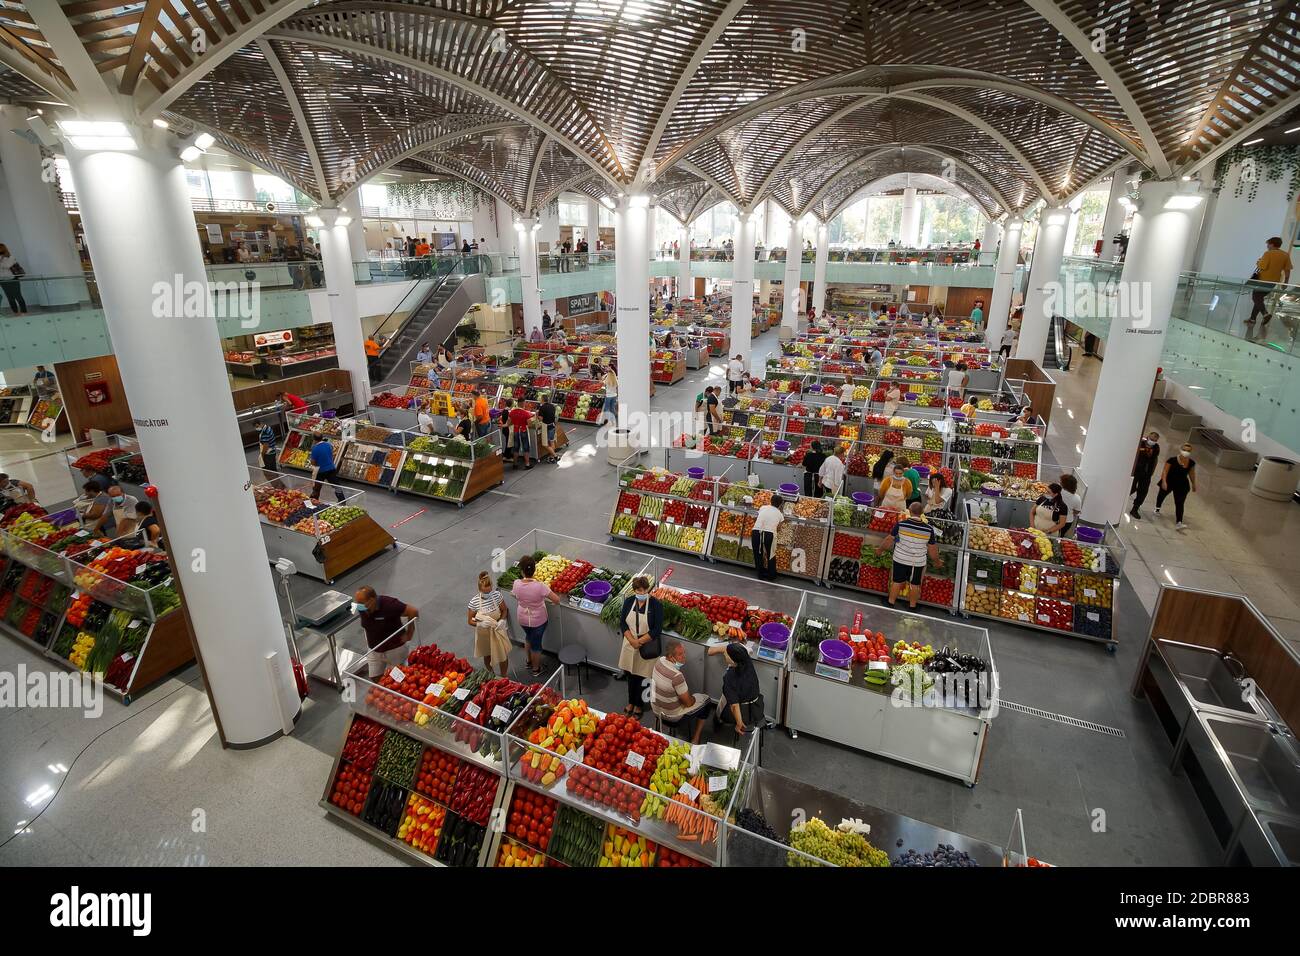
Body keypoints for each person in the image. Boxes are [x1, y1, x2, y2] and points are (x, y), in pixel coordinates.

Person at [882, 501, 940, 609]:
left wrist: (880, 549)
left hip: (900, 558)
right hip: (917, 562)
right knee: (914, 584)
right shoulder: (929, 529)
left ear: (909, 511)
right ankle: (912, 606)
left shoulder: (901, 524)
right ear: (922, 512)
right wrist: (937, 561)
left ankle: (891, 602)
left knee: (897, 581)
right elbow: (932, 549)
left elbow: (889, 539)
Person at [652, 640, 713, 742]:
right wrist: (693, 698)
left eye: (684, 652)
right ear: (671, 657)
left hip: (655, 710)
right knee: (706, 701)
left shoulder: (659, 661)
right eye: (680, 654)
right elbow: (688, 703)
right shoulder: (677, 676)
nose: (684, 656)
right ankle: (696, 738)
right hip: (672, 717)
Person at [618, 576, 661, 718]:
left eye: (644, 590)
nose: (641, 593)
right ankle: (631, 701)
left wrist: (640, 641)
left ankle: (639, 705)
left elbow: (657, 629)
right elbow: (623, 623)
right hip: (630, 645)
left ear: (647, 589)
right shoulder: (629, 602)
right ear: (634, 590)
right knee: (631, 675)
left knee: (644, 677)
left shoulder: (655, 605)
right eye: (638, 590)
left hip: (646, 646)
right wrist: (631, 640)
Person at [354, 586, 419, 678]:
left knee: (398, 679)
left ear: (372, 600)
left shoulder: (390, 604)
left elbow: (413, 611)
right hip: (374, 650)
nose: (359, 606)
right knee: (374, 677)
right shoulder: (363, 608)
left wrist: (409, 633)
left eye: (361, 603)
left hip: (394, 651)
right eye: (357, 603)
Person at [512, 554, 559, 676]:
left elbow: (515, 594)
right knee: (536, 646)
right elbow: (556, 599)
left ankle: (528, 661)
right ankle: (536, 669)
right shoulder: (540, 586)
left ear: (522, 571)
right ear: (534, 569)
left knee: (528, 637)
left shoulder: (516, 583)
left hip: (522, 618)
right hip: (538, 620)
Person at [710, 642, 762, 736]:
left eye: (726, 653)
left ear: (732, 660)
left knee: (723, 703)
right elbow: (741, 649)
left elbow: (734, 706)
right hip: (756, 708)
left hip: (742, 713)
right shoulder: (746, 660)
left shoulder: (730, 677)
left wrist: (739, 723)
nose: (724, 653)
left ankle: (718, 721)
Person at [467, 571, 510, 677]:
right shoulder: (474, 602)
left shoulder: (496, 595)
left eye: (490, 590)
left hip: (497, 629)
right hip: (484, 633)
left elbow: (504, 610)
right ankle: (491, 673)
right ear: (480, 589)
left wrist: (502, 620)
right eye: (485, 592)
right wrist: (479, 624)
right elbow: (470, 620)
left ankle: (504, 675)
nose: (488, 593)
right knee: (487, 655)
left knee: (502, 654)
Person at [1246, 236, 1293, 326]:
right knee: (1259, 299)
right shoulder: (1285, 255)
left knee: (1256, 298)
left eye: (1268, 244)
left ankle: (1265, 314)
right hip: (1273, 282)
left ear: (1272, 244)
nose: (1267, 246)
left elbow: (1262, 266)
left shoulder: (1268, 254)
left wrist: (1258, 262)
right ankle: (1252, 319)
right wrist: (1285, 282)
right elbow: (1287, 270)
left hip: (1262, 280)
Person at [1155, 443, 1197, 531]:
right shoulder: (1172, 460)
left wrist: (1193, 483)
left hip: (1182, 484)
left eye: (1188, 451)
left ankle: (1179, 522)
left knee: (1180, 502)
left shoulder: (1191, 463)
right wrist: (1164, 481)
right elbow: (1165, 471)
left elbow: (1191, 473)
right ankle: (1157, 508)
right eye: (1184, 450)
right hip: (1169, 481)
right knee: (1162, 495)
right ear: (1181, 450)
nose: (1186, 452)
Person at [751, 493, 784, 581]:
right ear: (780, 505)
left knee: (758, 553)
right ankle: (771, 575)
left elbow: (759, 517)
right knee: (770, 554)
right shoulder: (780, 514)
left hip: (756, 531)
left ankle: (760, 574)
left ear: (770, 501)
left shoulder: (763, 507)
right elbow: (779, 528)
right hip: (769, 534)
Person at [1129, 430, 1161, 519]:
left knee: (1143, 491)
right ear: (1148, 437)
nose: (1152, 441)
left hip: (1147, 473)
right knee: (1131, 488)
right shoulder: (1140, 443)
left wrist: (1152, 473)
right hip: (1136, 471)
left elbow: (1154, 459)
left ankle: (1135, 508)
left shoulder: (1156, 448)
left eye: (1154, 440)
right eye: (1151, 439)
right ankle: (1119, 501)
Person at [309, 435, 346, 501]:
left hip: (321, 470)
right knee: (336, 485)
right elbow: (330, 454)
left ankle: (314, 501)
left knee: (316, 487)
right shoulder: (328, 444)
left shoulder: (315, 448)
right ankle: (342, 500)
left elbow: (313, 462)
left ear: (313, 439)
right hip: (331, 468)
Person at [0, 243, 27, 314]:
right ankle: (16, 312)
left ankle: (24, 312)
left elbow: (7, 265)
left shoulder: (10, 257)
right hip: (2, 280)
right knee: (10, 297)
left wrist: (1, 260)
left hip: (12, 279)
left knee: (18, 296)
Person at [536, 395, 559, 463]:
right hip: (552, 425)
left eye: (540, 399)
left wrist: (537, 415)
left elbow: (541, 419)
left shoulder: (542, 407)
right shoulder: (552, 406)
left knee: (545, 444)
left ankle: (555, 456)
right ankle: (551, 457)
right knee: (551, 441)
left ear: (542, 400)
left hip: (546, 427)